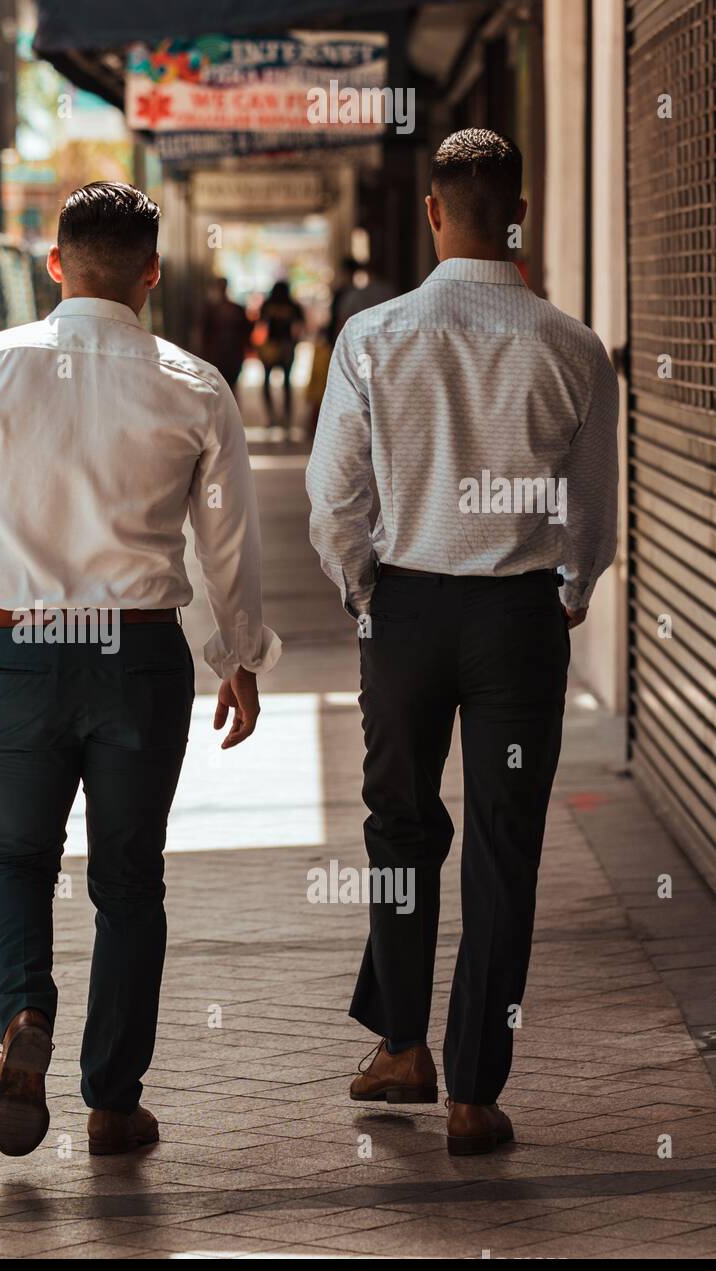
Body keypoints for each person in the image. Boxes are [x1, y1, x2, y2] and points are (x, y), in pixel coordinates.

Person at [0, 182, 281, 1159]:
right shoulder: (194, 385)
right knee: (129, 883)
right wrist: (236, 655)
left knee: (14, 861)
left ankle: (23, 1013)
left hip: (21, 651)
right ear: (151, 274)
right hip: (139, 654)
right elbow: (228, 539)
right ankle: (112, 1101)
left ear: (55, 265)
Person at [306, 129, 618, 1156]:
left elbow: (334, 497)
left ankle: (401, 1042)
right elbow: (592, 515)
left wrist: (366, 593)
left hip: (405, 609)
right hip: (517, 620)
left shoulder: (372, 335)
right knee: (502, 847)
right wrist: (564, 593)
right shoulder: (571, 347)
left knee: (397, 828)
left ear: (434, 212)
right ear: (516, 212)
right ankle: (473, 1092)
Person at [257, 279, 304, 430]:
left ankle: (271, 416)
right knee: (287, 383)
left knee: (266, 382)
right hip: (287, 346)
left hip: (271, 346)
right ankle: (286, 417)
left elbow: (260, 323)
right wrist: (295, 341)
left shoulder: (268, 304)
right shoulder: (292, 305)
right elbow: (301, 325)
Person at [195, 276, 253, 392]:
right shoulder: (219, 309)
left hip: (224, 354)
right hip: (227, 354)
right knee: (227, 388)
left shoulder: (213, 310)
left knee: (223, 387)